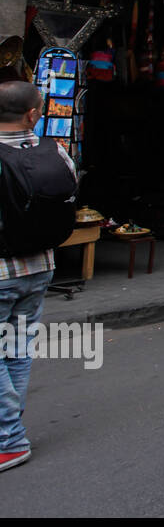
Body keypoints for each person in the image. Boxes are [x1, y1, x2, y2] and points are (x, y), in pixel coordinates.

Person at [0, 81, 76, 473]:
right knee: (17, 350)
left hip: (1, 270)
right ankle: (9, 430)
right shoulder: (58, 152)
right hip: (40, 268)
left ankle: (9, 439)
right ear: (33, 115)